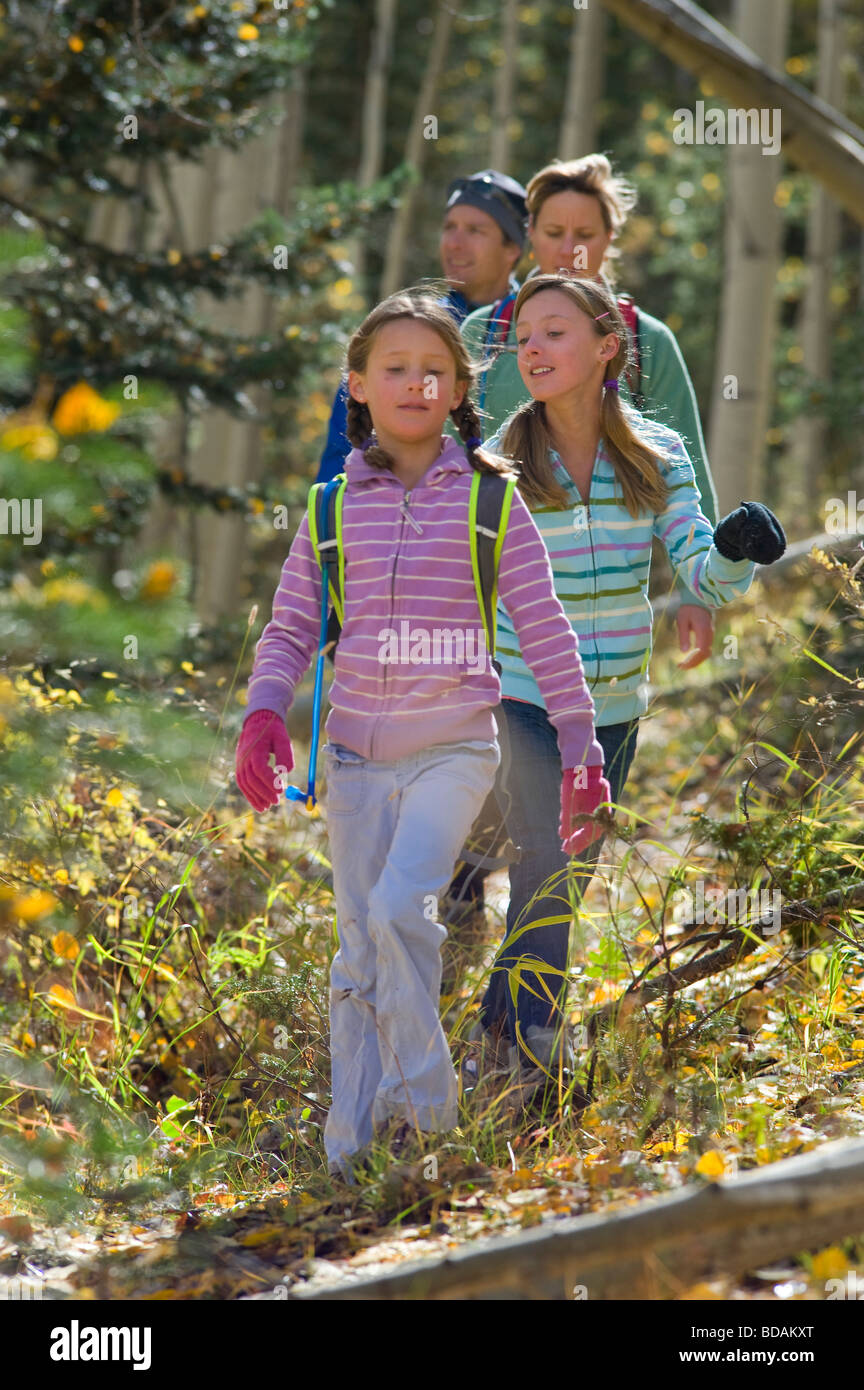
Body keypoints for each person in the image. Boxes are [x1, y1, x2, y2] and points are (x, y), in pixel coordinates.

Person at [235, 288, 610, 1178]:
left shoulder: (492, 502)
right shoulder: (330, 508)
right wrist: (261, 713)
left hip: (454, 749)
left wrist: (580, 745)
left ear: (457, 389)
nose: (414, 383)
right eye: (394, 369)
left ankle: (429, 1121)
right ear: (356, 385)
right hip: (355, 759)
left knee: (403, 910)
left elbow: (546, 626)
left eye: (433, 370)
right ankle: (351, 1148)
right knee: (359, 946)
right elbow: (291, 625)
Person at [468, 273, 785, 1103]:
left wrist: (734, 548)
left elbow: (703, 579)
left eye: (554, 333)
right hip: (526, 697)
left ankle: (493, 1046)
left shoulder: (657, 455)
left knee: (561, 880)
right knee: (546, 862)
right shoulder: (499, 462)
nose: (532, 349)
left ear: (607, 347)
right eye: (524, 337)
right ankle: (532, 1068)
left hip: (615, 712)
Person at [462, 153, 718, 672]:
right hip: (496, 606)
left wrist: (698, 593)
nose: (568, 248)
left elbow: (687, 464)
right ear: (530, 233)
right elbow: (446, 464)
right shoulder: (481, 335)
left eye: (586, 233)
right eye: (554, 230)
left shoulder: (648, 341)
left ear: (609, 239)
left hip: (610, 617)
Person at [315, 169, 527, 486]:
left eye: (475, 230)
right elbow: (342, 446)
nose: (455, 243)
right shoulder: (406, 327)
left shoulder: (534, 330)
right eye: (449, 228)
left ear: (513, 249)